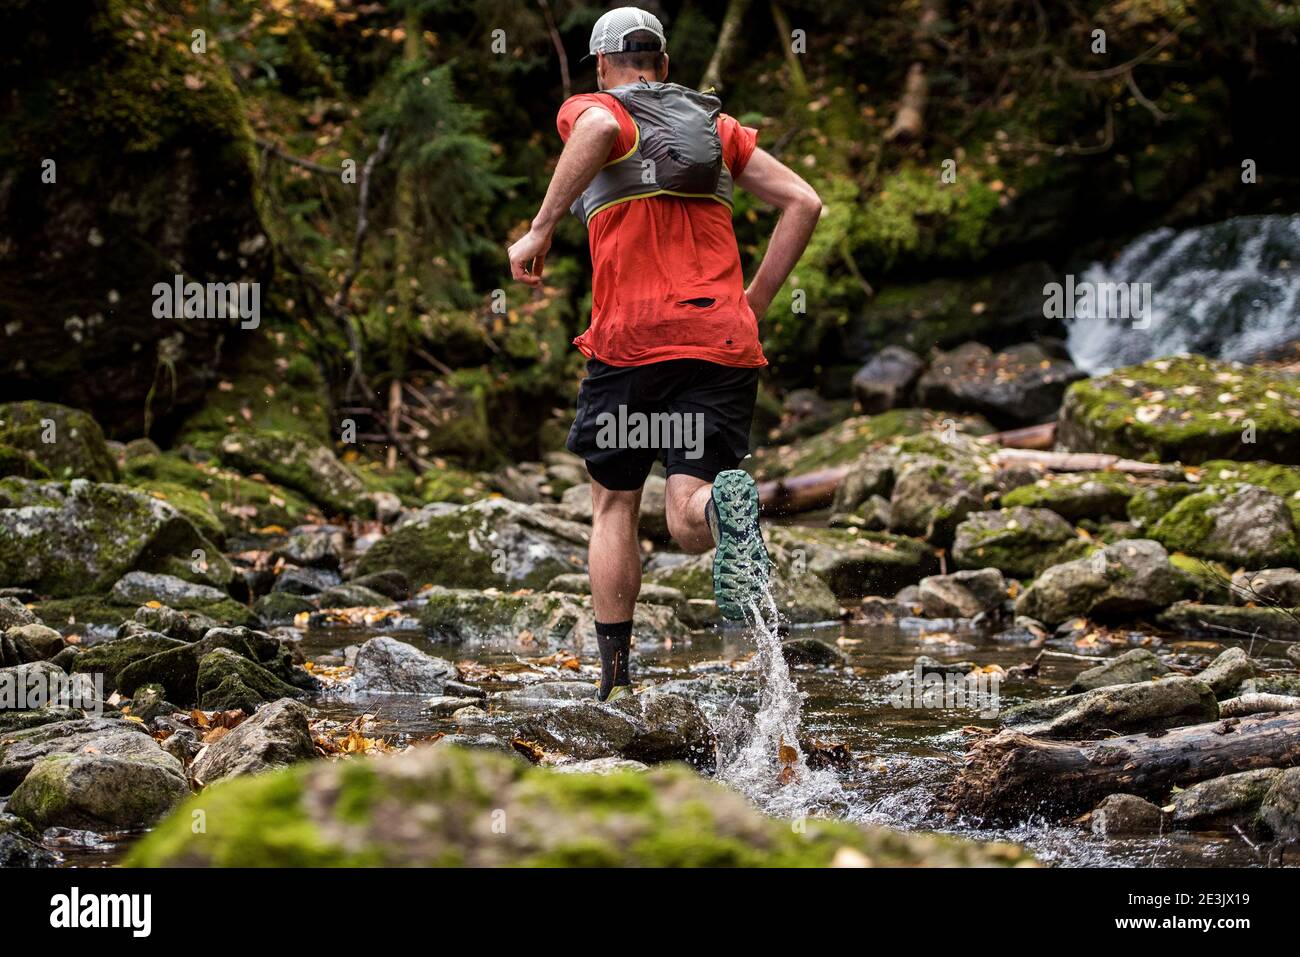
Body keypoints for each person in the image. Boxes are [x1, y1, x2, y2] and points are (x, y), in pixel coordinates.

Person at [507, 6, 821, 701]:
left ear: (602, 65)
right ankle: (721, 509)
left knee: (615, 502)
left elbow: (593, 127)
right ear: (667, 67)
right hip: (720, 345)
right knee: (686, 517)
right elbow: (804, 201)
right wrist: (753, 304)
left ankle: (616, 683)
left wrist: (539, 230)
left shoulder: (597, 108)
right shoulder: (718, 129)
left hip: (632, 347)